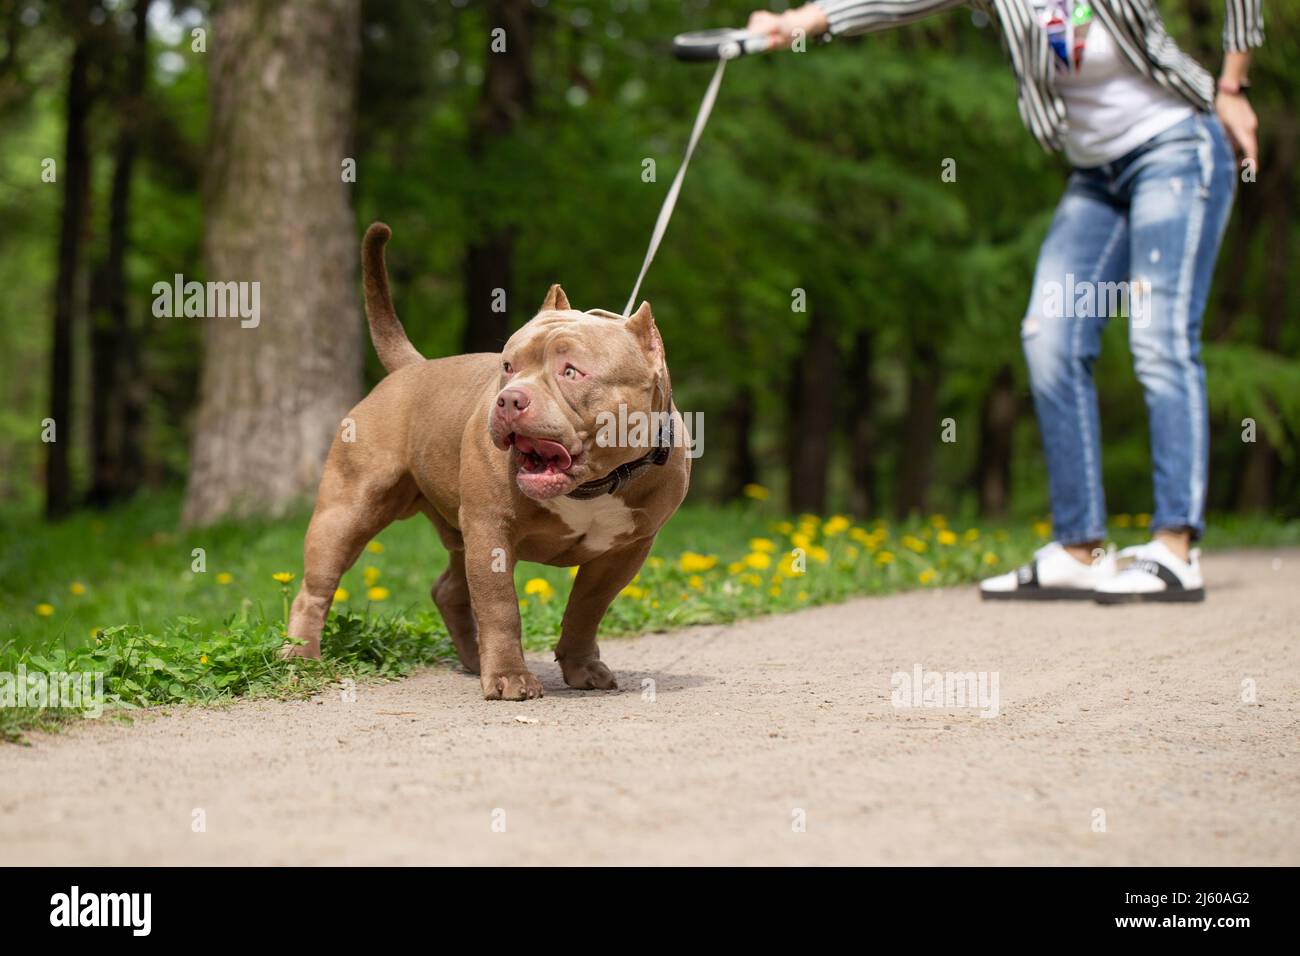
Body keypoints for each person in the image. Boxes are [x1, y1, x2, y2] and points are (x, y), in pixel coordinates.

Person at [747, 0, 1263, 603]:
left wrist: (1232, 81)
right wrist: (802, 20)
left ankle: (1176, 548)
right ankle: (1081, 549)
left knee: (1158, 336)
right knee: (1050, 337)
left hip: (1177, 144)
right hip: (1096, 175)